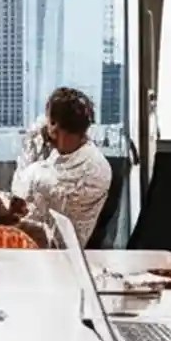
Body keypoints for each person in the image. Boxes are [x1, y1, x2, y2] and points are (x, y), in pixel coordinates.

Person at [10, 87, 112, 247]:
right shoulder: (74, 156)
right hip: (42, 246)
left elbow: (18, 193)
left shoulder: (89, 170)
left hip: (56, 253)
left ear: (55, 126)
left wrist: (32, 142)